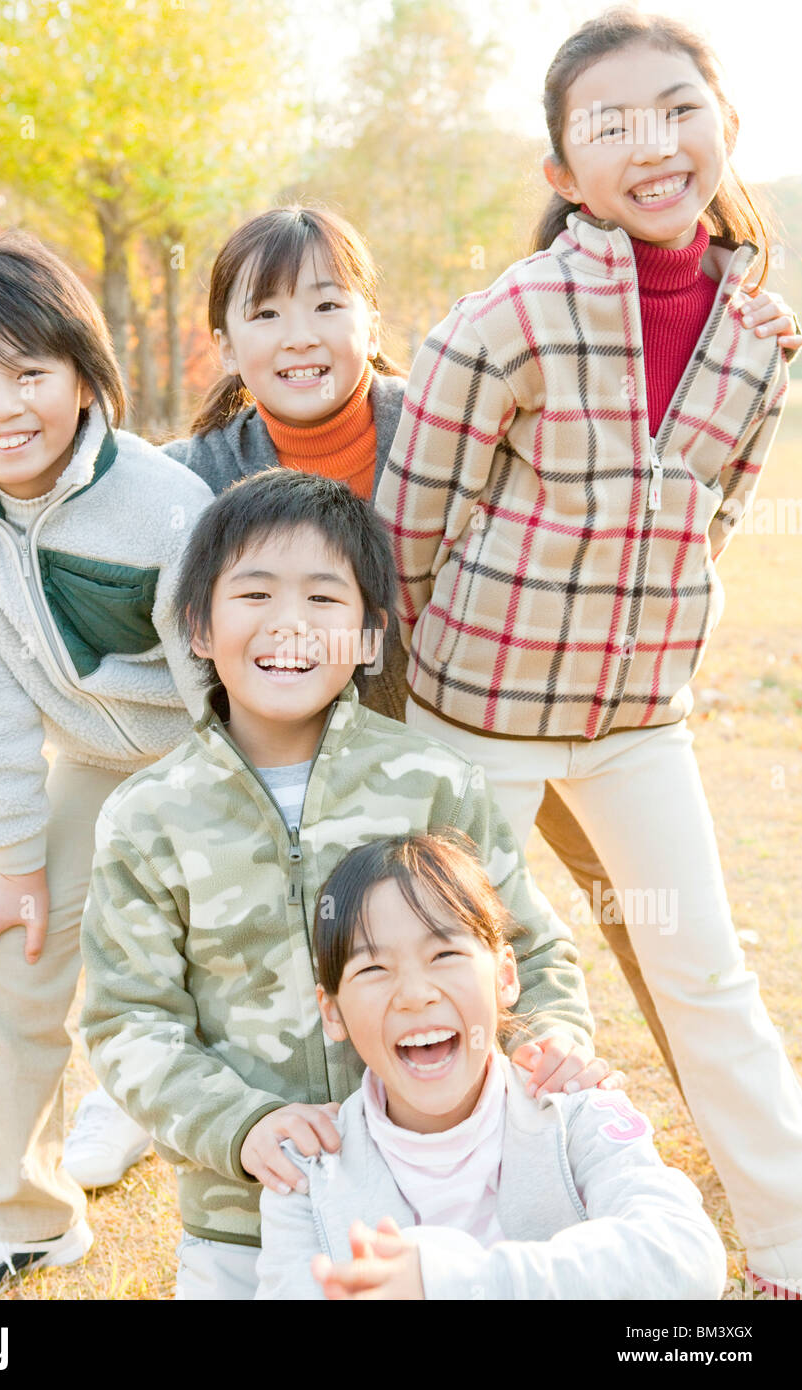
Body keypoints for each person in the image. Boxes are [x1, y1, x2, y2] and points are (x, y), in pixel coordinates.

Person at [0, 204, 794, 1090]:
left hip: (497, 702)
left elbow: (597, 418)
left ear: (370, 319)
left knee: (633, 910)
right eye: (264, 313)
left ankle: (697, 1098)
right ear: (227, 346)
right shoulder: (201, 471)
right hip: (358, 751)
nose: (299, 334)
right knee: (410, 924)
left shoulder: (442, 413)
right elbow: (95, 467)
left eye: (327, 304)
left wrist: (729, 319)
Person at [375, 7, 802, 1298]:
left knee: (701, 967)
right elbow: (409, 517)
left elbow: (718, 514)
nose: (652, 142)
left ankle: (782, 1228)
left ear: (728, 130)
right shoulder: (510, 315)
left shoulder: (758, 334)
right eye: (608, 124)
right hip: (477, 713)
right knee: (448, 974)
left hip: (637, 720)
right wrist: (413, 702)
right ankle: (430, 1236)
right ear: (563, 172)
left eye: (678, 109)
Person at [79, 468, 613, 1301]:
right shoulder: (147, 817)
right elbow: (127, 1019)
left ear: (369, 637)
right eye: (253, 593)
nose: (288, 624)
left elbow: (527, 950)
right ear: (197, 625)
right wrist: (240, 1125)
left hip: (447, 1198)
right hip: (245, 1213)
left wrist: (549, 1039)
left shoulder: (432, 784)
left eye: (324, 600)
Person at [0, 213, 213, 1300]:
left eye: (29, 372)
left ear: (83, 372)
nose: (1, 408)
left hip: (208, 761)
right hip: (90, 768)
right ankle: (23, 1215)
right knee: (11, 948)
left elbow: (234, 690)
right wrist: (18, 862)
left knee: (244, 957)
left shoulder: (165, 502)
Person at [256, 832, 727, 1300]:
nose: (416, 994)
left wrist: (449, 1281)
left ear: (505, 976)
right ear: (332, 1010)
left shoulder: (572, 1105)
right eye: (374, 969)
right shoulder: (306, 1169)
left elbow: (687, 1258)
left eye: (445, 955)